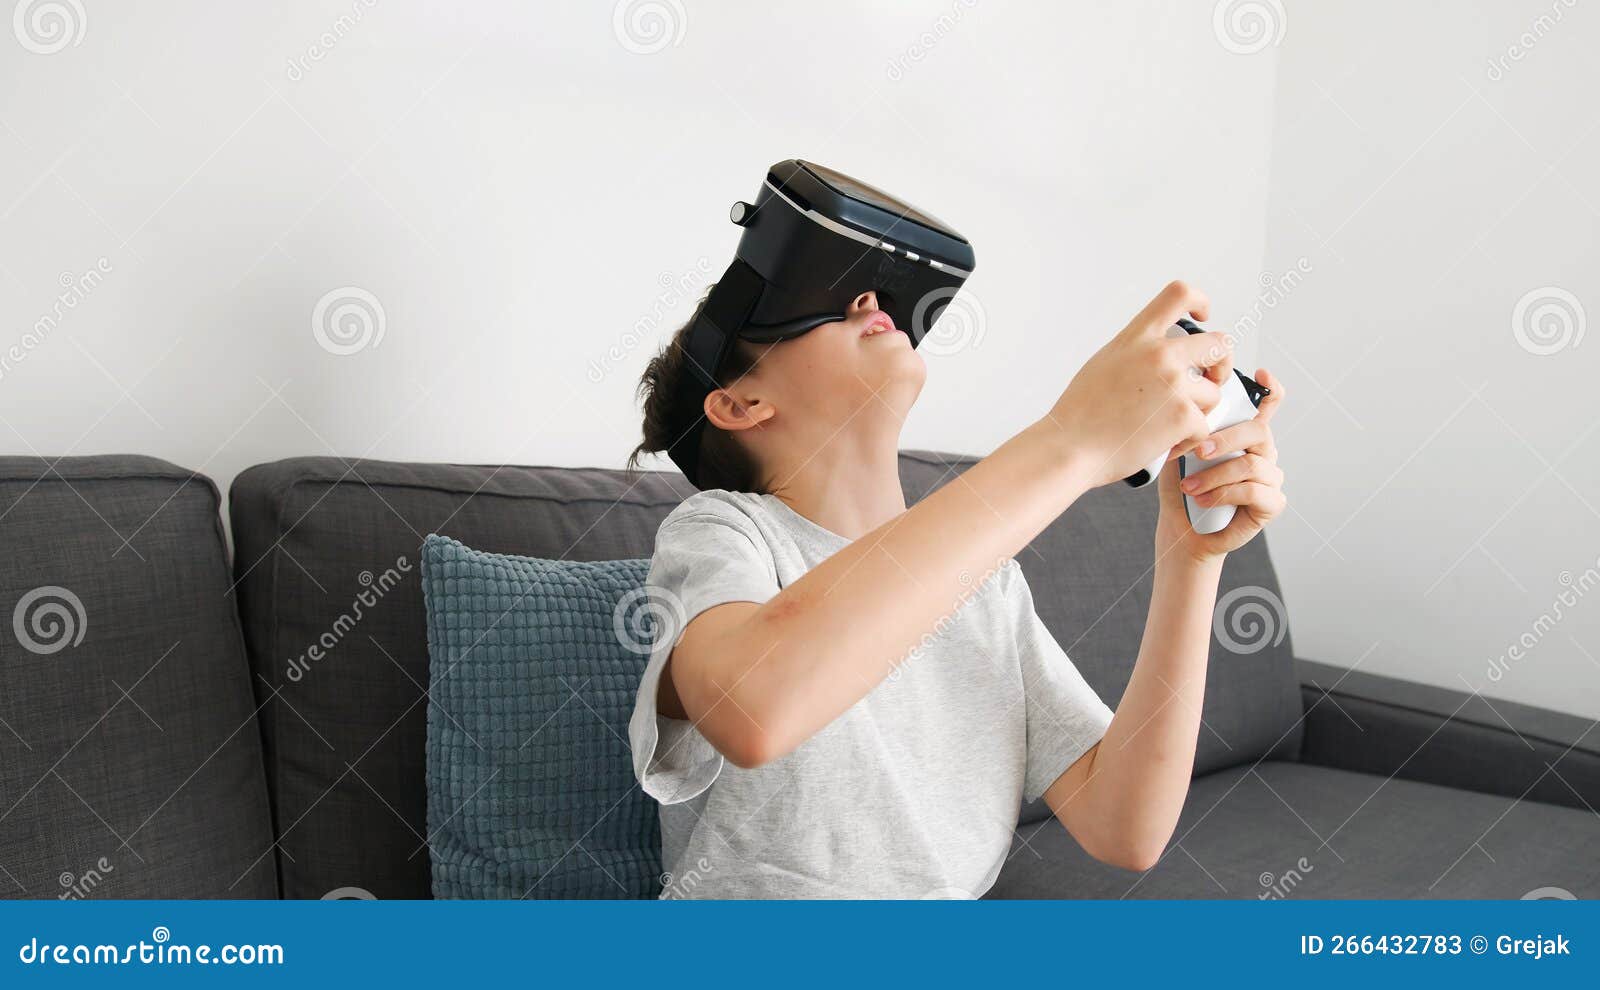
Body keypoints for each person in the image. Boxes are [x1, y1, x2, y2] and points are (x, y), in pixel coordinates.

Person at [626, 280, 1286, 898]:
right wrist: (1071, 440)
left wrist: (1189, 560)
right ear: (741, 403)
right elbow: (753, 710)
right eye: (816, 302)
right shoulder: (722, 532)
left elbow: (1126, 826)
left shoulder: (986, 583)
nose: (864, 296)